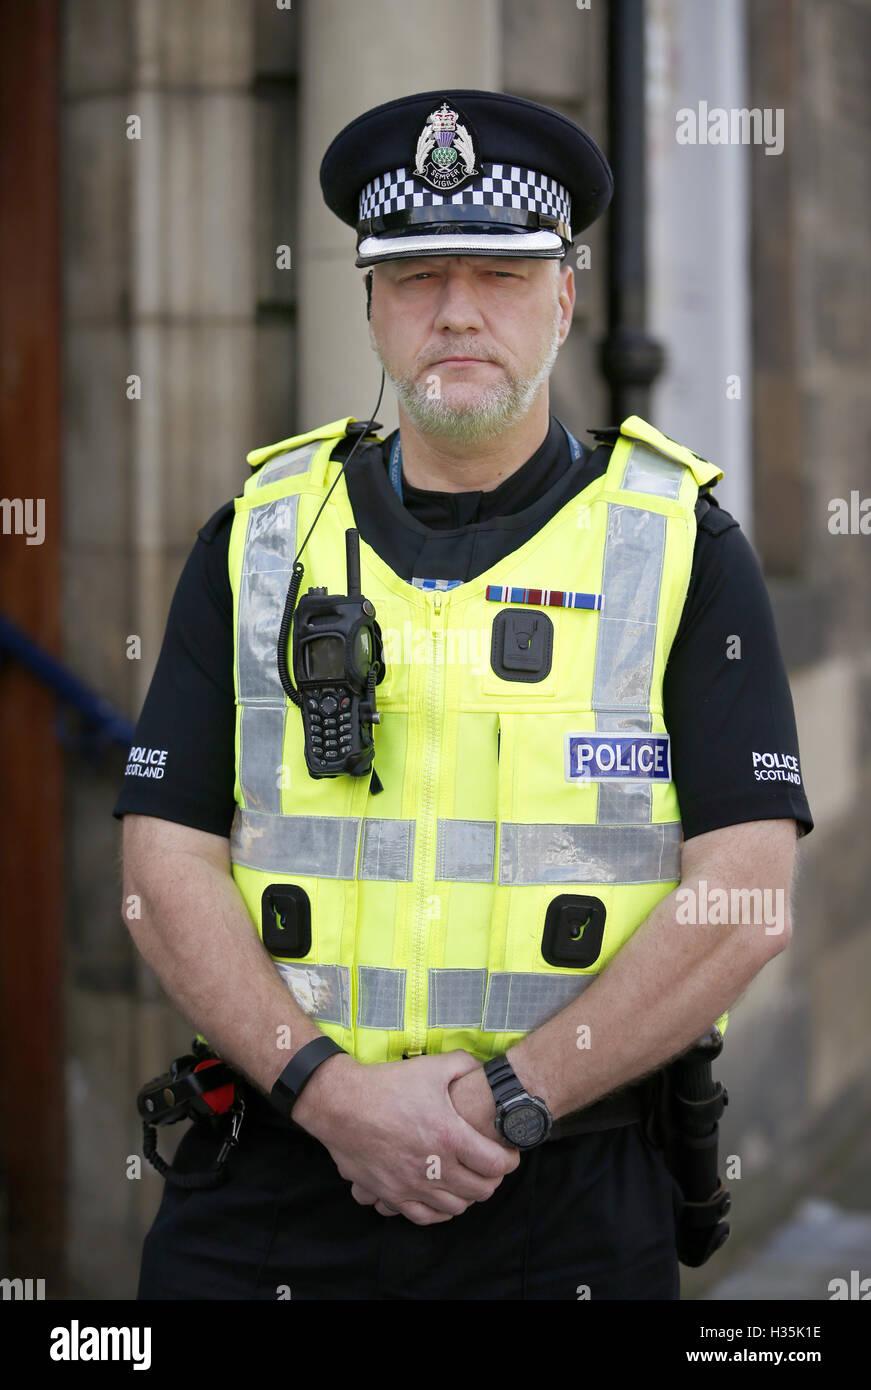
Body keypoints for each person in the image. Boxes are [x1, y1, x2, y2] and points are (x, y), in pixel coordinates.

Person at [115, 89, 813, 1301]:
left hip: (563, 1197)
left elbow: (747, 890)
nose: (454, 310)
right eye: (415, 274)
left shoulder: (680, 543)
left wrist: (510, 1093)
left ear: (563, 297)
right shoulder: (258, 536)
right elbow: (160, 863)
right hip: (276, 1182)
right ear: (373, 304)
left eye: (497, 272)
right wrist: (330, 1092)